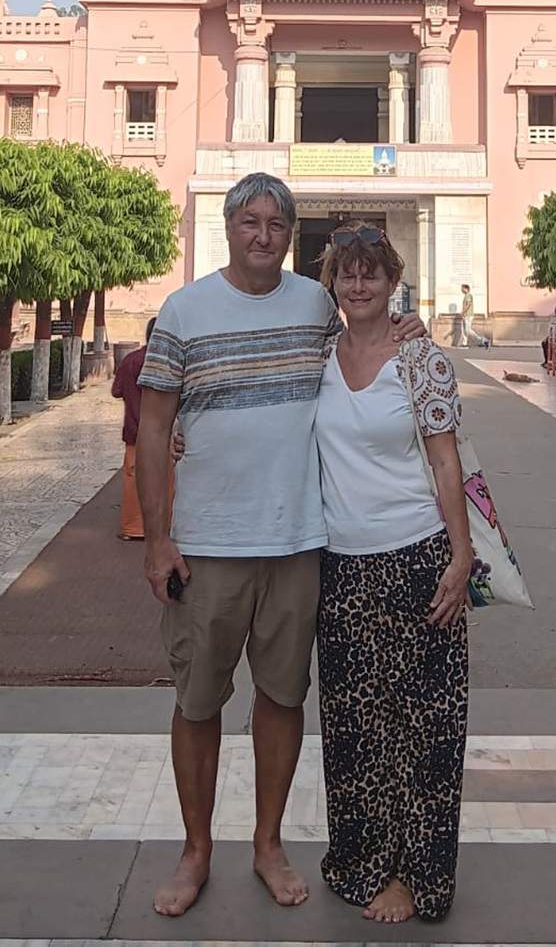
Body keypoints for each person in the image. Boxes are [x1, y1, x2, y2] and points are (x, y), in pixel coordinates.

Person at [135, 173, 426, 919]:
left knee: (282, 696)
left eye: (276, 224)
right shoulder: (185, 310)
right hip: (208, 545)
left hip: (299, 542)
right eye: (249, 222)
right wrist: (158, 538)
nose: (263, 235)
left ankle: (267, 844)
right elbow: (151, 426)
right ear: (229, 228)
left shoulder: (313, 307)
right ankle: (196, 850)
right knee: (197, 701)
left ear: (290, 236)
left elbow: (365, 341)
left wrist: (408, 333)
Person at [316, 224, 470, 924]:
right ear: (332, 282)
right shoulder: (318, 355)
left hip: (416, 556)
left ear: (392, 280)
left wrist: (461, 556)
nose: (358, 285)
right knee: (353, 726)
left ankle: (415, 875)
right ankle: (362, 860)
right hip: (341, 566)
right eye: (346, 273)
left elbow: (445, 461)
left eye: (371, 274)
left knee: (423, 728)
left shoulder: (421, 360)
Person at [112, 317, 162, 541]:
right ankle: (162, 528)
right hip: (161, 433)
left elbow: (116, 391)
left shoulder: (131, 360)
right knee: (166, 480)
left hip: (134, 431)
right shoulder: (164, 362)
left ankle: (133, 528)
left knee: (133, 481)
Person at [457, 283, 489, 349]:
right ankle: (464, 343)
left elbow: (468, 305)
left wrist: (463, 312)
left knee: (468, 330)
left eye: (462, 288)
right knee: (464, 330)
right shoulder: (466, 296)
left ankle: (482, 340)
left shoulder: (469, 295)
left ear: (466, 289)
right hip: (465, 315)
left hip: (468, 315)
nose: (461, 290)